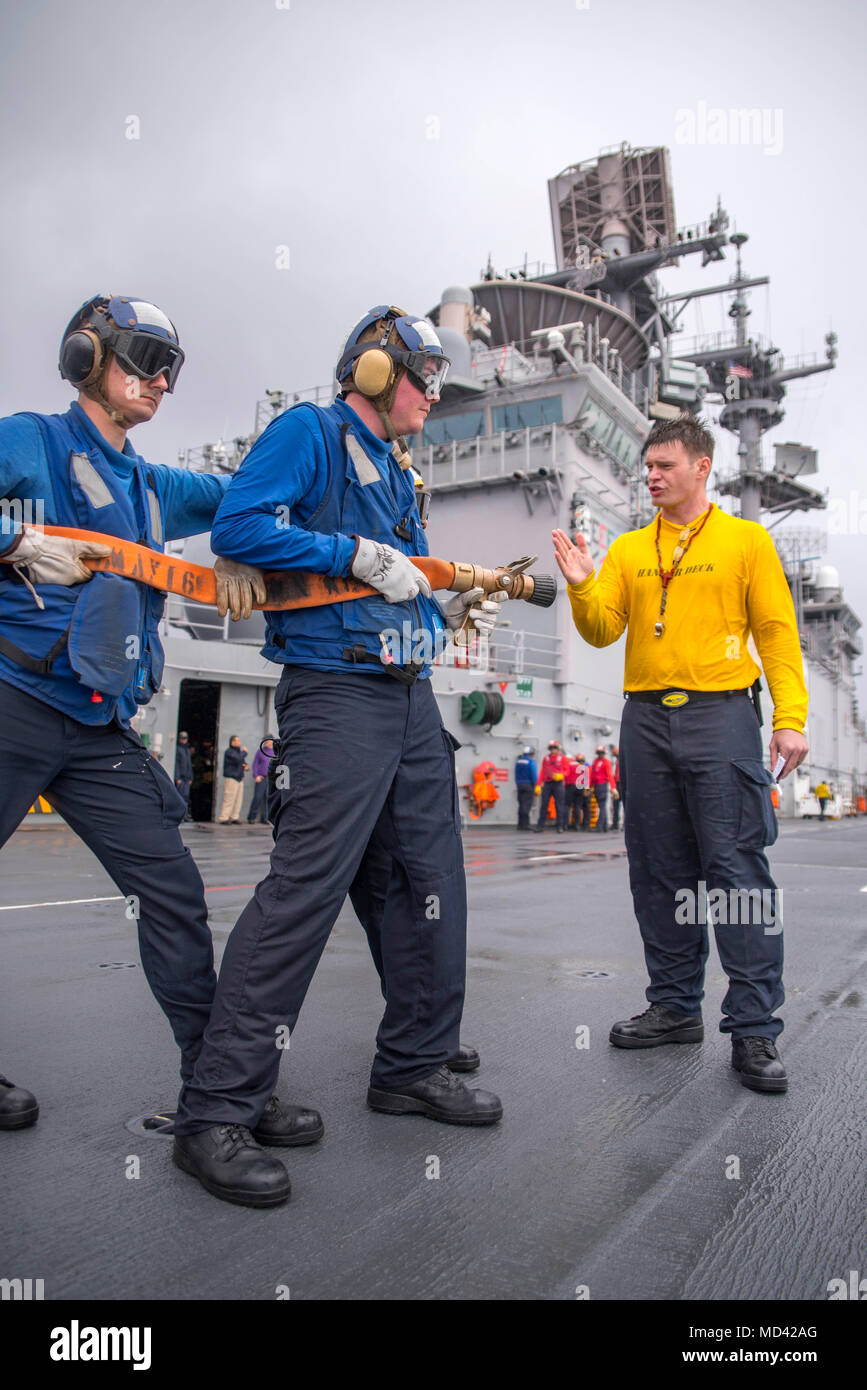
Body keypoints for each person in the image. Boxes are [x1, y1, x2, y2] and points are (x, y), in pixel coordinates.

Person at [172, 305, 505, 1208]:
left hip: (406, 699)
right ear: (370, 372)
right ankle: (215, 1111)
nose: (434, 396)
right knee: (305, 890)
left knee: (429, 882)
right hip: (334, 691)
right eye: (424, 377)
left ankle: (412, 1066)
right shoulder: (307, 433)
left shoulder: (399, 472)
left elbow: (415, 576)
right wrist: (353, 553)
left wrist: (449, 609)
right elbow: (241, 527)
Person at [0, 294, 321, 1148]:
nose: (161, 380)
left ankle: (221, 1089)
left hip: (97, 730)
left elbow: (240, 497)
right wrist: (15, 540)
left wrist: (241, 540)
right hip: (12, 706)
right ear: (84, 356)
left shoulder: (152, 486)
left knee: (173, 896)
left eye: (171, 366)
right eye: (143, 356)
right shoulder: (29, 439)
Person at [553, 412, 808, 1095]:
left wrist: (789, 717)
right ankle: (672, 1007)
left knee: (735, 873)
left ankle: (754, 1029)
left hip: (720, 715)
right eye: (648, 465)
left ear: (701, 467)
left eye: (664, 465)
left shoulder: (745, 541)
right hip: (643, 719)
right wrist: (581, 583)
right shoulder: (632, 549)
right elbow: (603, 630)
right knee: (658, 870)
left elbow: (777, 636)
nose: (651, 475)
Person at [534, 740, 569, 832]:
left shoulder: (562, 758)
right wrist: (538, 785)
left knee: (559, 805)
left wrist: (561, 775)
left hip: (558, 784)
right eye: (551, 748)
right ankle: (540, 826)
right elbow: (542, 772)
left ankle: (560, 826)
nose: (553, 750)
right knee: (544, 804)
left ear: (557, 749)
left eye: (554, 748)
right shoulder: (546, 759)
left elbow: (567, 771)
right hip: (547, 784)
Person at [218, 735, 248, 823]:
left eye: (239, 740)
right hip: (231, 778)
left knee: (238, 799)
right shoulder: (229, 752)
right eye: (237, 741)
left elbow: (242, 762)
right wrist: (244, 752)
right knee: (229, 798)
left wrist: (246, 766)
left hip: (239, 778)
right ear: (232, 742)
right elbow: (238, 759)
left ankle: (234, 817)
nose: (239, 742)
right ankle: (224, 817)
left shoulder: (238, 753)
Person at [247, 735, 275, 823]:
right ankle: (251, 817)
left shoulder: (275, 751)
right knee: (257, 797)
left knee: (268, 799)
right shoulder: (260, 751)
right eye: (265, 741)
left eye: (268, 740)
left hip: (271, 779)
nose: (266, 742)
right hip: (262, 778)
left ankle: (265, 818)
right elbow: (255, 764)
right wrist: (256, 776)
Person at [589, 744, 616, 832]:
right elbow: (592, 775)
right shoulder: (595, 762)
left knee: (602, 806)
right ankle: (604, 827)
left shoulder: (606, 762)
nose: (600, 754)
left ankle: (599, 826)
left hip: (602, 785)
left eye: (601, 753)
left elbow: (609, 775)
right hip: (597, 786)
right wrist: (590, 787)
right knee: (602, 806)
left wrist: (613, 787)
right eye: (599, 753)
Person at [514, 745, 537, 830]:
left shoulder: (518, 761)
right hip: (528, 785)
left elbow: (516, 774)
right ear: (531, 753)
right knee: (526, 805)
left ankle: (520, 824)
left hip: (519, 785)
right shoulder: (531, 762)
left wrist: (518, 783)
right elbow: (533, 775)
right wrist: (536, 786)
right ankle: (525, 825)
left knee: (521, 804)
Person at [174, 731, 194, 822]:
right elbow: (177, 764)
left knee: (186, 797)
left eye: (185, 738)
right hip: (181, 778)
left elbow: (189, 765)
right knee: (180, 797)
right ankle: (179, 815)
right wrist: (177, 777)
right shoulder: (178, 749)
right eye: (182, 738)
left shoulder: (187, 750)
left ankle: (185, 815)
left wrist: (191, 777)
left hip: (186, 778)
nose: (184, 740)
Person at [610, 744, 623, 829]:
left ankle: (624, 824)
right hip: (617, 784)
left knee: (625, 805)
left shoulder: (623, 761)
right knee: (615, 804)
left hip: (622, 783)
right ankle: (615, 824)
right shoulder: (615, 762)